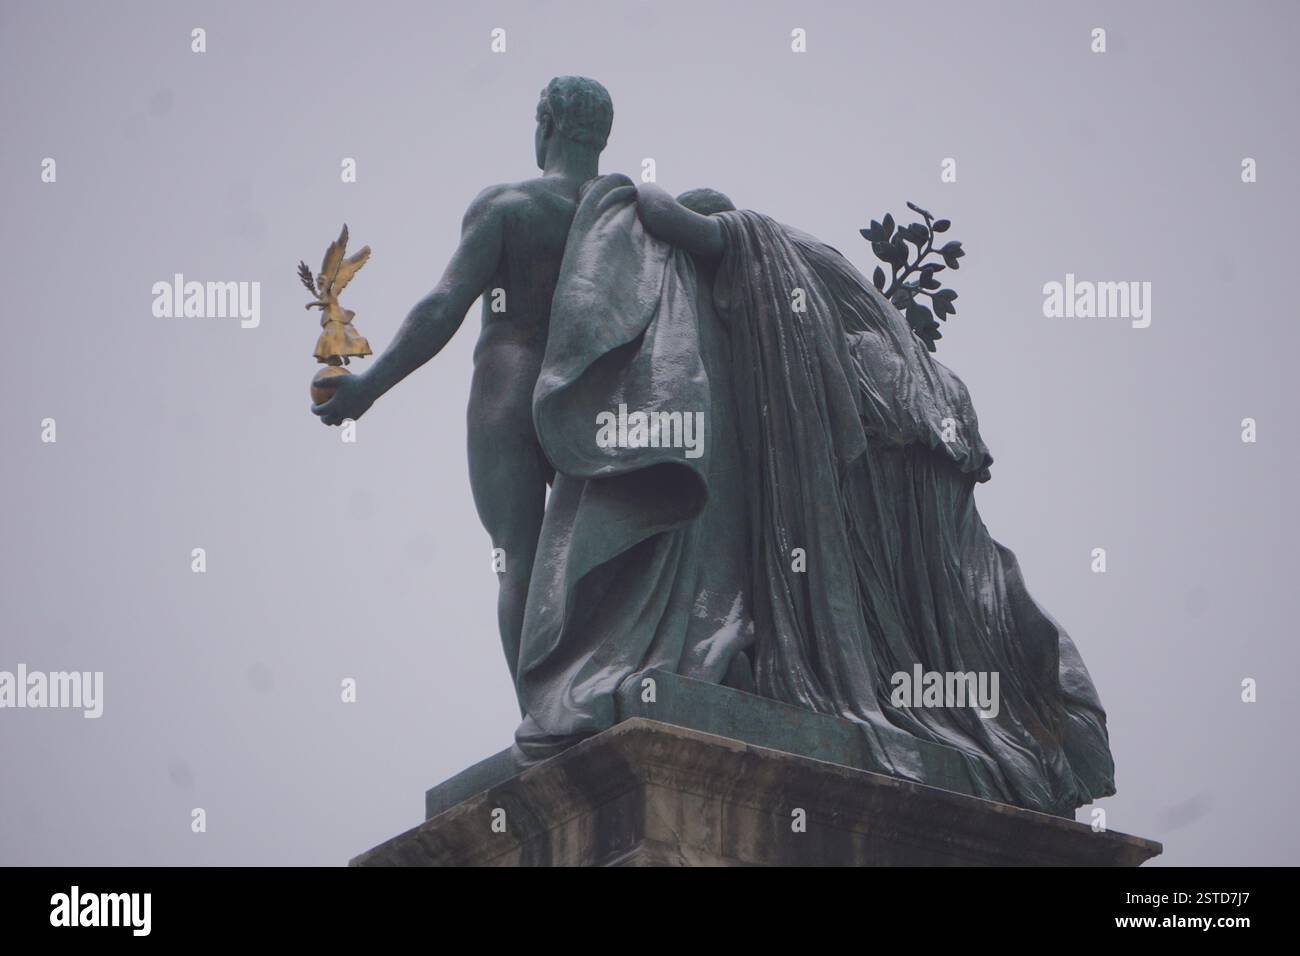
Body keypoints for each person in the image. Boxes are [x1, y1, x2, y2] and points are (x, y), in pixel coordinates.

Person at [310, 77, 614, 687]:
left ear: (547, 125)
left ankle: (542, 717)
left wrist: (368, 387)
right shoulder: (622, 219)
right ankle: (608, 685)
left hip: (510, 379)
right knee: (607, 550)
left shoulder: (507, 206)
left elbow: (443, 305)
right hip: (596, 392)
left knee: (518, 561)